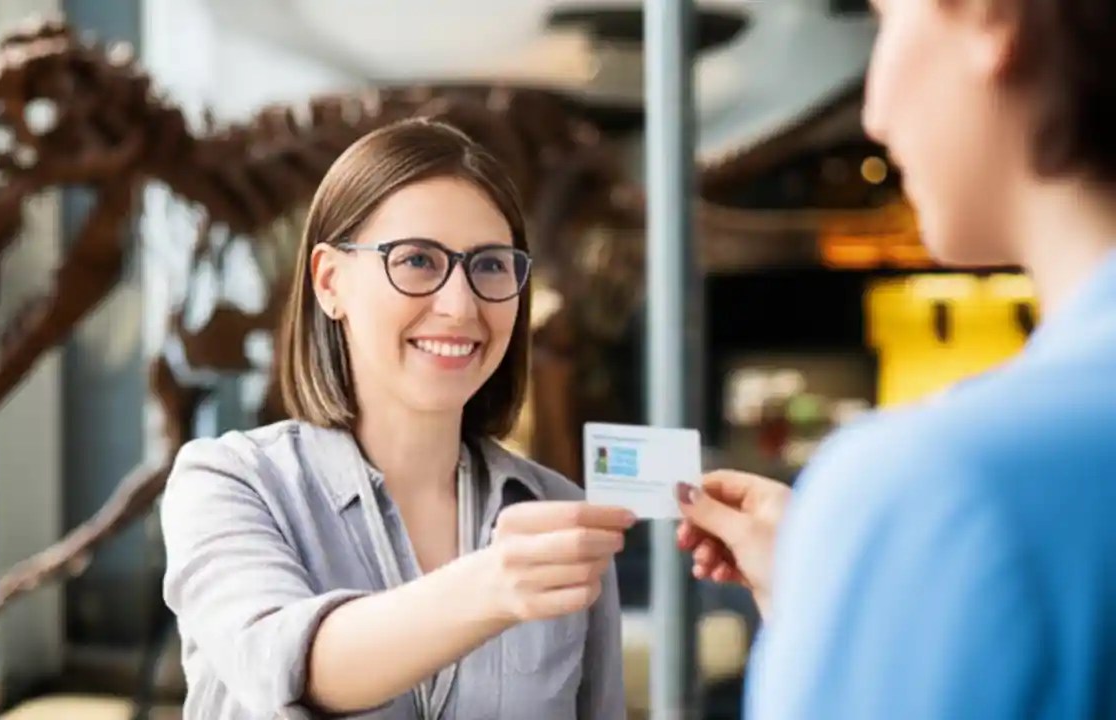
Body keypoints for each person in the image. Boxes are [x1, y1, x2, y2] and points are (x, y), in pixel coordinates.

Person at [677, 0, 1116, 717]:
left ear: (988, 17)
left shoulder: (940, 486)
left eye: (885, 22)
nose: (874, 113)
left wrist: (884, 565)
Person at [159, 117, 634, 719]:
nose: (460, 306)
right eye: (416, 260)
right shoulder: (230, 482)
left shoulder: (555, 515)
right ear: (330, 282)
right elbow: (285, 668)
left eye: (490, 266)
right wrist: (490, 587)